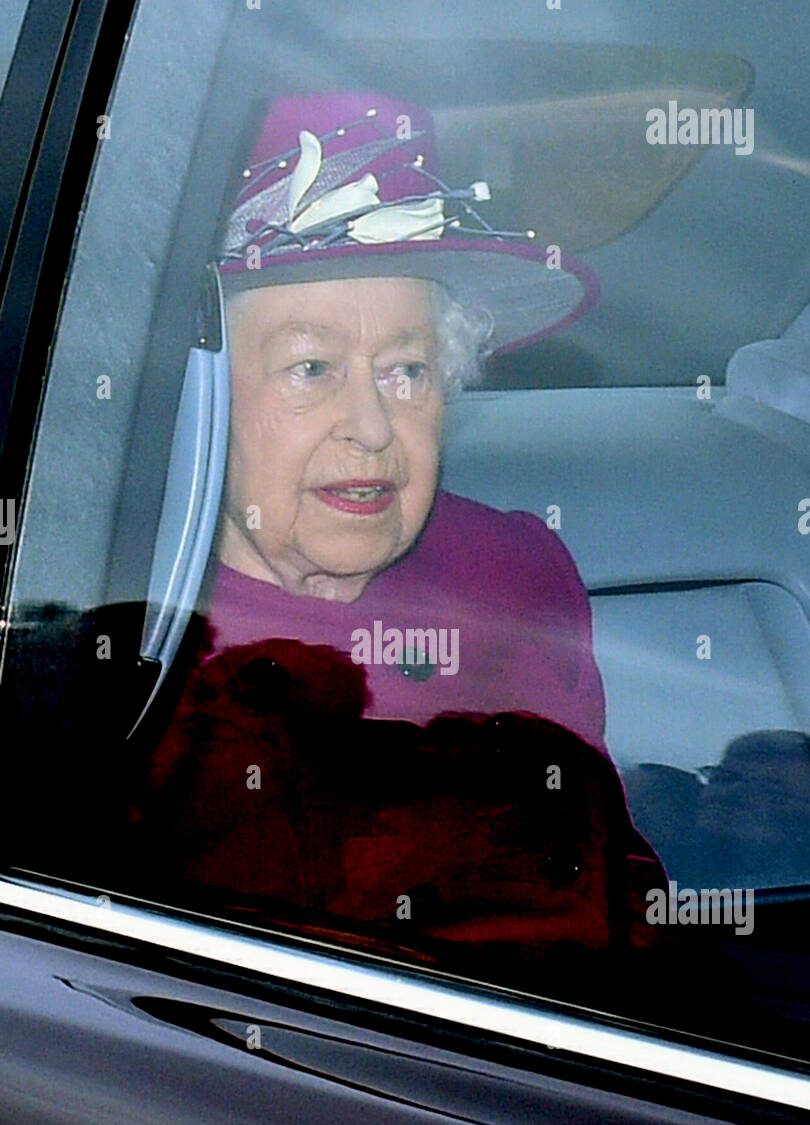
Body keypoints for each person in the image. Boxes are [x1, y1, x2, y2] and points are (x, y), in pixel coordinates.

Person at [138, 90, 663, 967]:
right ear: (206, 391)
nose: (373, 428)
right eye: (311, 367)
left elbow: (621, 899)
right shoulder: (123, 607)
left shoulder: (512, 572)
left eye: (407, 370)